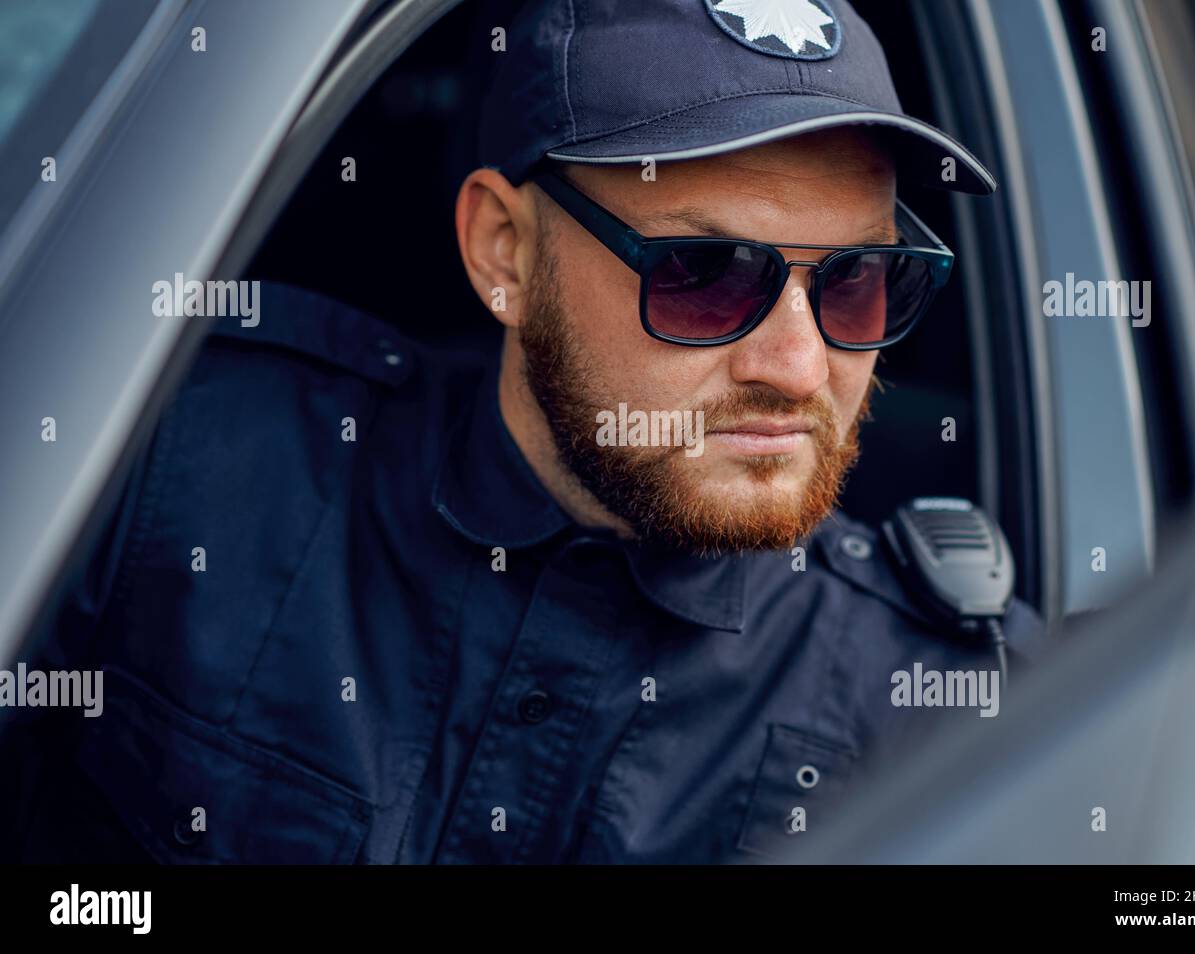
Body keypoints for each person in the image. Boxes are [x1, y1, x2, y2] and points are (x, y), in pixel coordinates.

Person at [1, 0, 1045, 864]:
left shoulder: (961, 716)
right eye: (704, 276)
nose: (797, 366)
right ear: (503, 250)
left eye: (858, 283)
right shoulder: (175, 466)